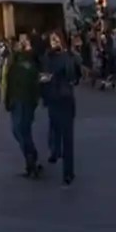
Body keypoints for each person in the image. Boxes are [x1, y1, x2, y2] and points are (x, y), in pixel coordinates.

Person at [4, 34, 43, 178]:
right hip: (15, 100)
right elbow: (8, 80)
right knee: (17, 130)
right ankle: (30, 157)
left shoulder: (32, 59)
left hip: (26, 100)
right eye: (20, 40)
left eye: (24, 40)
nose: (21, 43)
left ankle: (31, 160)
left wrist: (35, 100)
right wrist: (7, 99)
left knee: (23, 129)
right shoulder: (14, 59)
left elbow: (37, 80)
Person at [42, 34, 78, 186]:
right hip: (58, 98)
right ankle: (63, 165)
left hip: (62, 99)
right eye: (52, 40)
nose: (54, 42)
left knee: (65, 135)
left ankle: (67, 171)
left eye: (56, 39)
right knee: (61, 132)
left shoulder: (60, 57)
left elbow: (73, 76)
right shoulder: (53, 58)